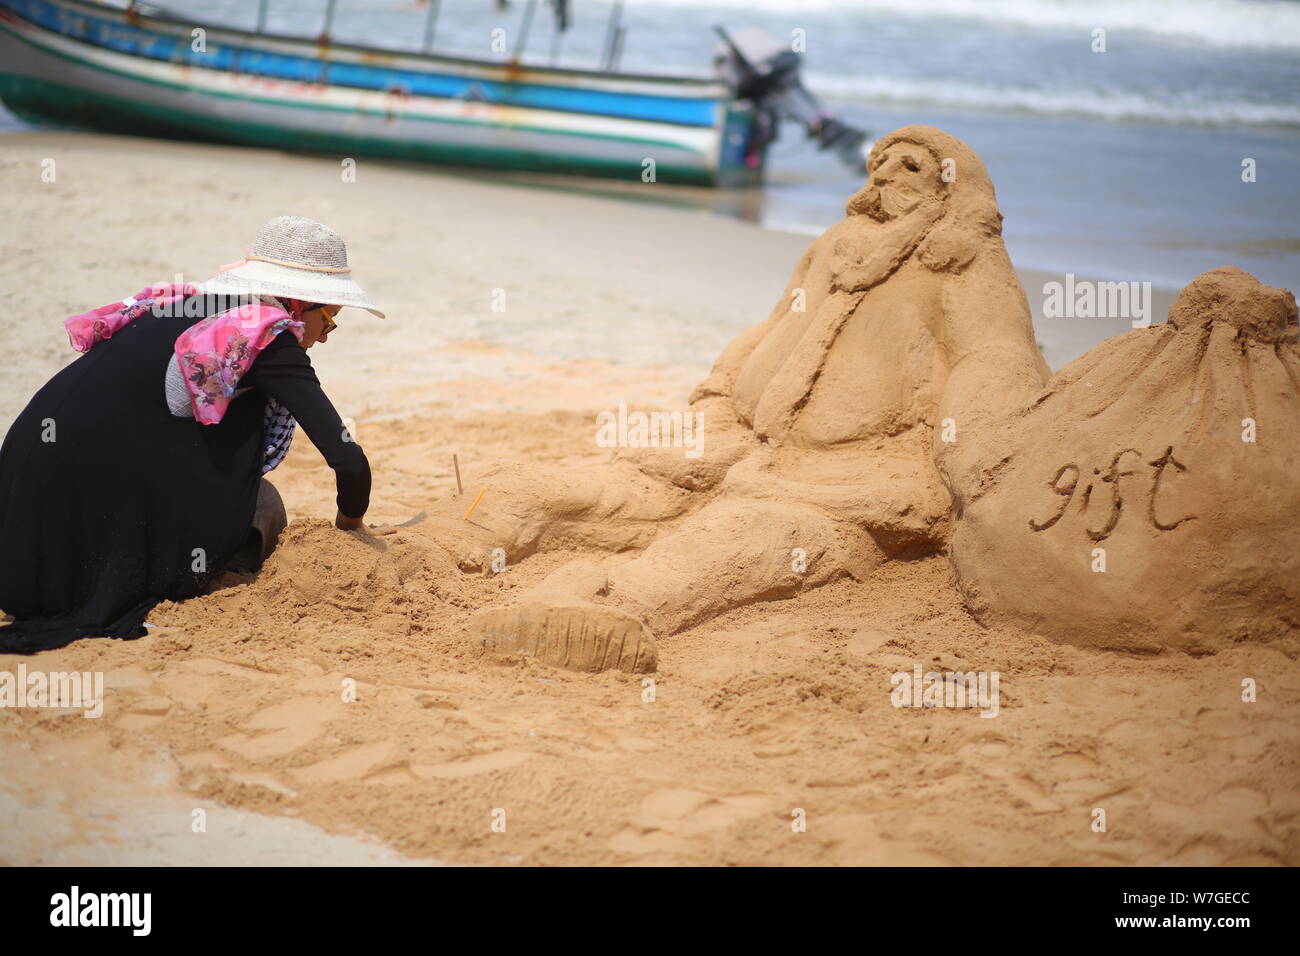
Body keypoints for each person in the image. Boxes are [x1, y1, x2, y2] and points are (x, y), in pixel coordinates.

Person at [0, 215, 393, 654]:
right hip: (88, 528)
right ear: (299, 304)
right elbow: (347, 458)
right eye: (331, 318)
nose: (324, 337)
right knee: (263, 504)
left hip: (20, 509)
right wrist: (353, 525)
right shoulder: (265, 335)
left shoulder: (178, 306)